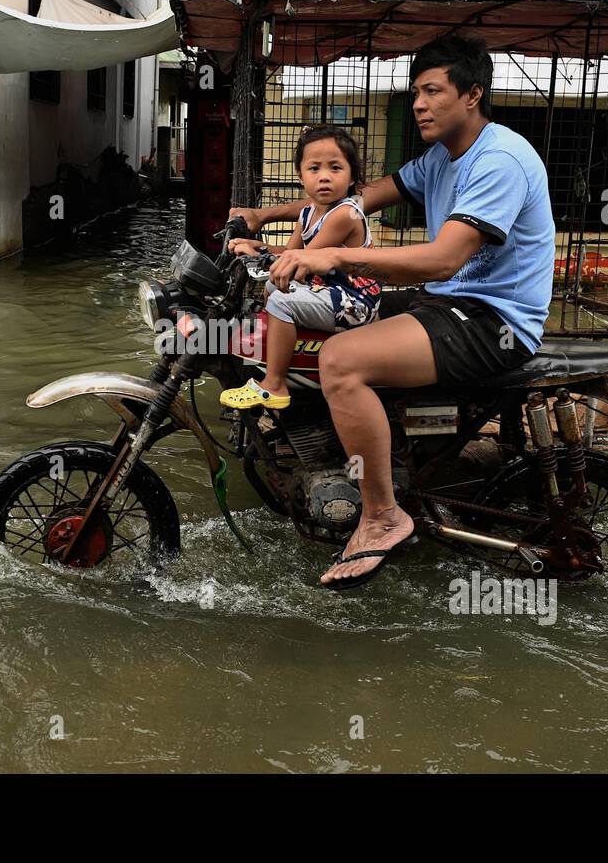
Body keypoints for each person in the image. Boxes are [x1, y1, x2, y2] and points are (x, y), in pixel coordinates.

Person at [230, 33, 556, 590]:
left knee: (340, 358)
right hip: (449, 304)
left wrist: (331, 252)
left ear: (472, 94)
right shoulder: (440, 158)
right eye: (415, 93)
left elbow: (443, 259)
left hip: (492, 320)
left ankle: (382, 515)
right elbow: (357, 197)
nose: (420, 105)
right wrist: (268, 219)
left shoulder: (499, 160)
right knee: (324, 316)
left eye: (432, 92)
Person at [218, 125, 381, 410]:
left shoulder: (345, 214)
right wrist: (255, 246)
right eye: (314, 168)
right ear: (300, 176)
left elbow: (303, 261)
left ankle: (274, 384)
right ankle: (286, 352)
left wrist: (262, 251)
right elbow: (293, 253)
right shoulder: (307, 213)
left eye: (335, 168)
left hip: (356, 302)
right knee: (272, 286)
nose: (324, 177)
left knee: (281, 300)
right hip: (329, 292)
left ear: (352, 176)